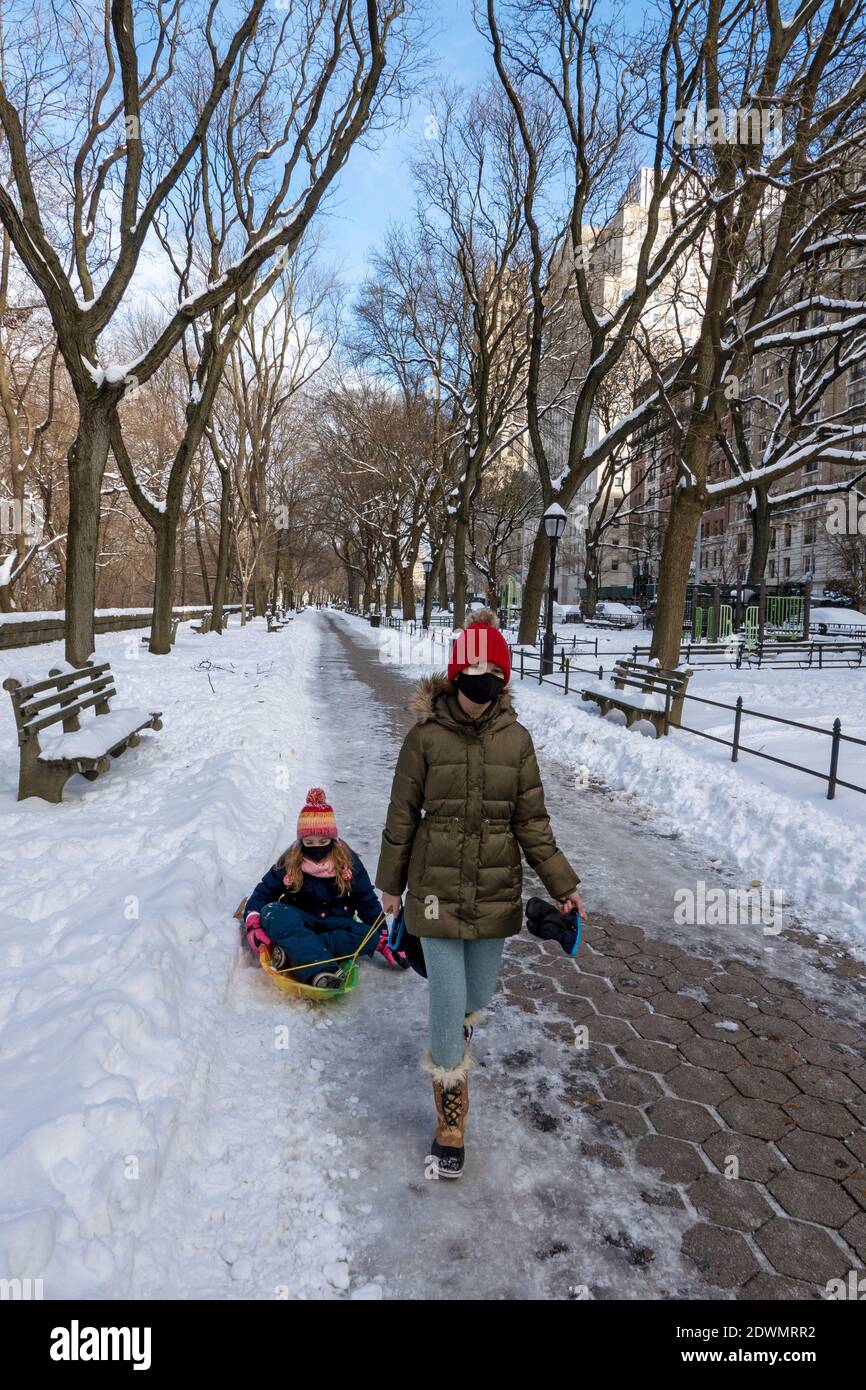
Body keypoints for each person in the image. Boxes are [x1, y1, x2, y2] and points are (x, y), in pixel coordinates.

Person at [376, 610, 584, 1177]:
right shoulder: (424, 737)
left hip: (495, 892)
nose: (481, 678)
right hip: (434, 890)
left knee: (478, 993)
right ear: (455, 672)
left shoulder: (517, 742)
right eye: (472, 667)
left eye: (493, 668)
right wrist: (390, 885)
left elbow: (532, 822)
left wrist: (563, 885)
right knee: (446, 997)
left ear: (504, 676)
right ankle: (451, 1114)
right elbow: (401, 814)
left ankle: (458, 1032)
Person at [244, 787, 404, 988]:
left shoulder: (348, 862)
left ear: (333, 839)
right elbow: (261, 896)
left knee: (368, 935)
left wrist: (384, 937)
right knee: (271, 912)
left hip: (336, 925)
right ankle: (323, 970)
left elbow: (366, 901)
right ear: (301, 841)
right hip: (299, 922)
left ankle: (296, 952)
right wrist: (253, 924)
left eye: (323, 841)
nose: (316, 846)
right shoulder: (290, 861)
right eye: (309, 842)